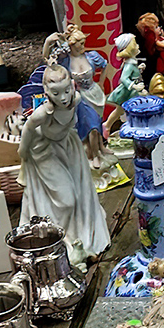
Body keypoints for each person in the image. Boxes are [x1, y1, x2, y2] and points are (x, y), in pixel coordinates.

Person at [18, 63, 110, 263]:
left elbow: (87, 118)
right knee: (66, 199)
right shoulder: (43, 112)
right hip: (45, 152)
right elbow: (28, 130)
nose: (63, 97)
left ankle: (77, 239)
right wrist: (23, 152)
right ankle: (62, 240)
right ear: (46, 91)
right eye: (56, 93)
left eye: (67, 90)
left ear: (72, 86)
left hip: (69, 147)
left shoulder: (76, 99)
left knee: (81, 194)